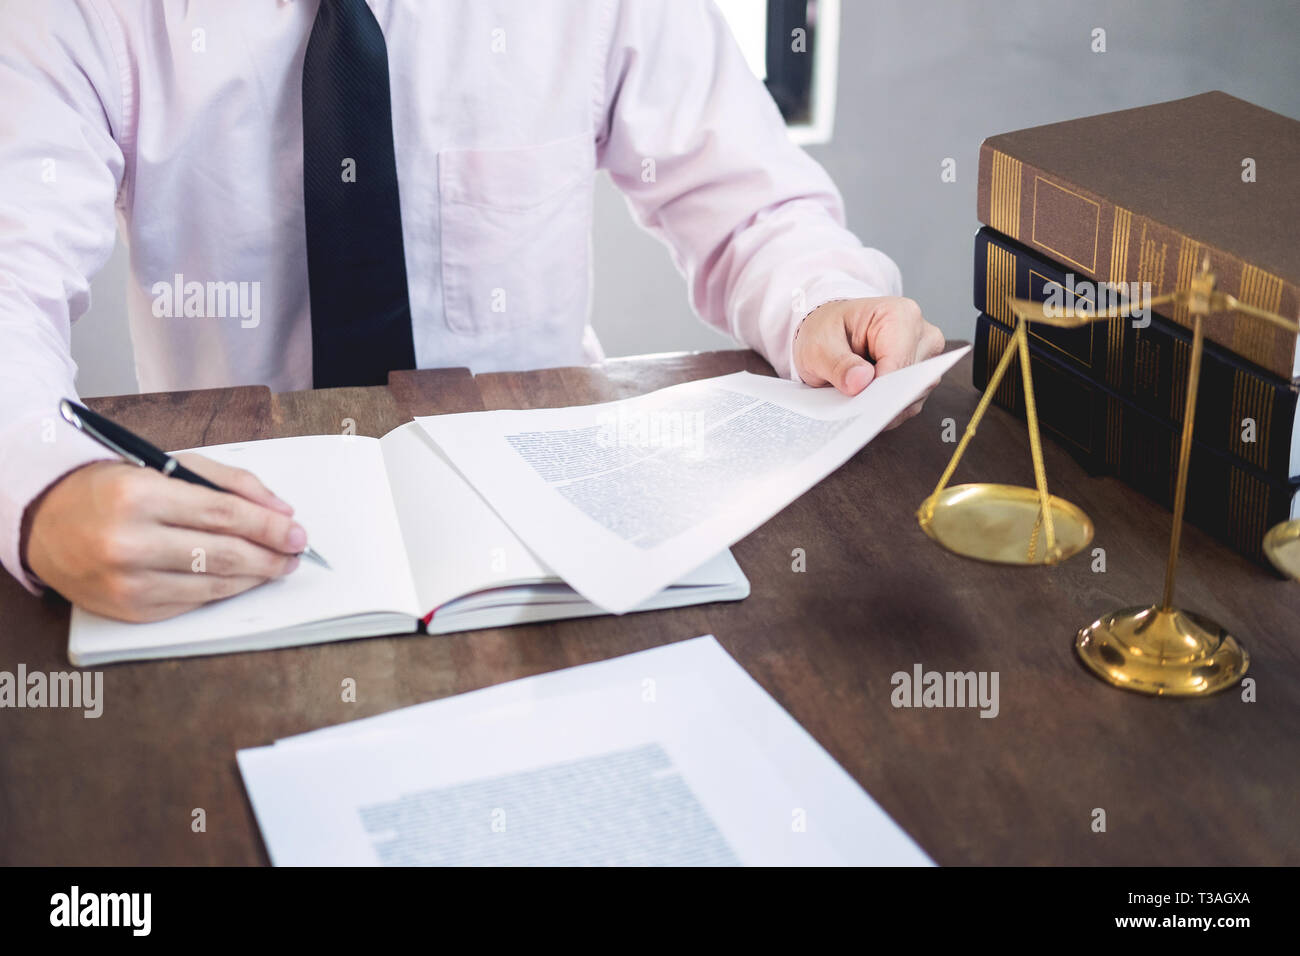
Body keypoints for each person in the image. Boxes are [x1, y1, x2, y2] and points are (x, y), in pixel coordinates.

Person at [1, 0, 944, 622]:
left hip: (550, 533)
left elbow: (751, 209)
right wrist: (39, 487)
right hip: (226, 525)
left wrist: (825, 299)